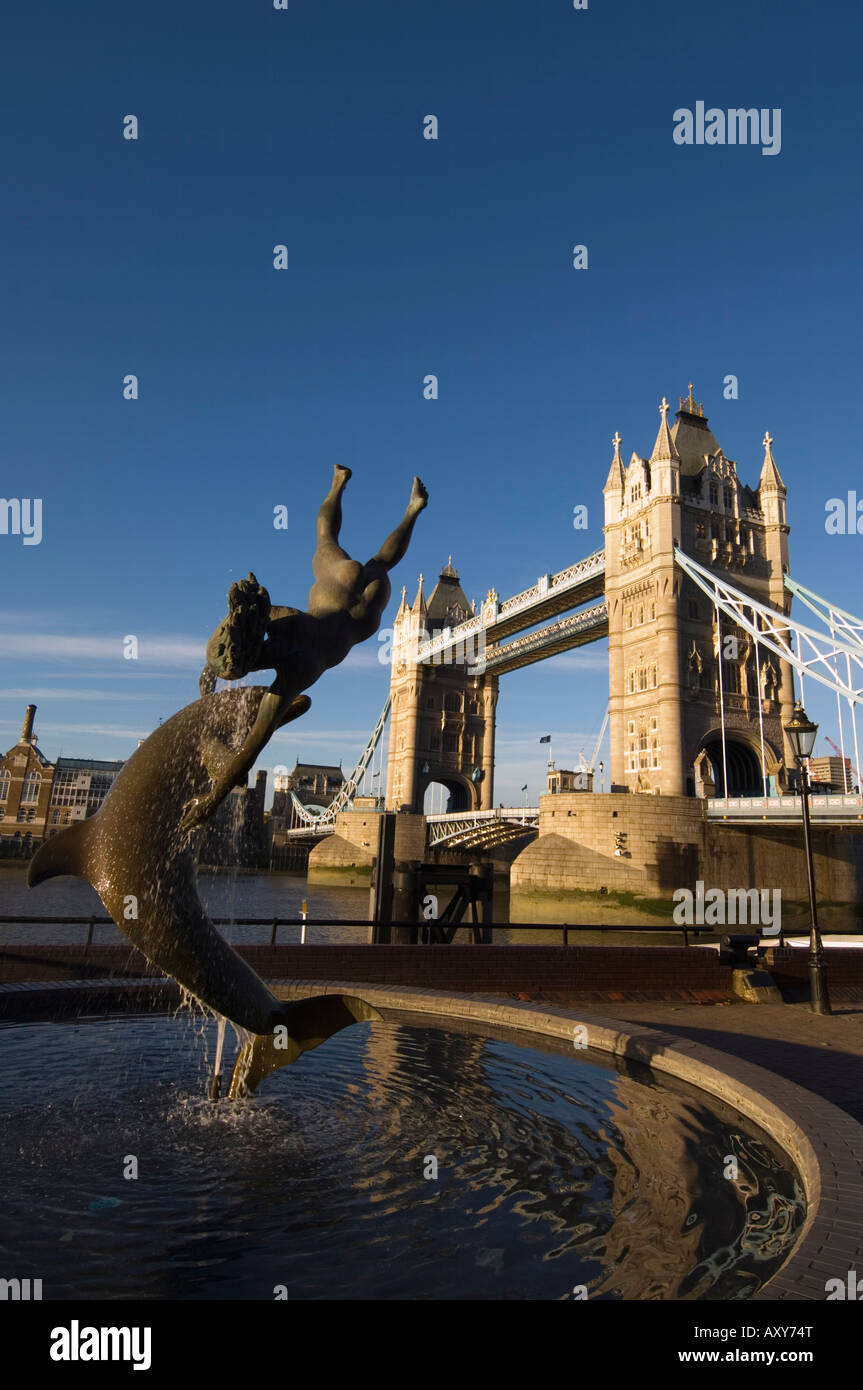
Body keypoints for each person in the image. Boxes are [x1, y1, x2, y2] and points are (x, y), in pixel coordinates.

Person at [180, 466, 428, 831]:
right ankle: (341, 484)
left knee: (381, 563)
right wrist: (211, 669)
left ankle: (411, 510)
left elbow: (249, 751)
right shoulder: (286, 620)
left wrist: (209, 803)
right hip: (333, 586)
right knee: (325, 535)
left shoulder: (298, 671)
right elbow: (251, 616)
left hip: (367, 612)